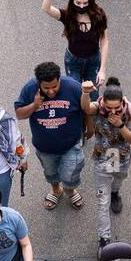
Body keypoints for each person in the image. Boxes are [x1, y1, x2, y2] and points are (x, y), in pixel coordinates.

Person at [16, 61, 87, 211]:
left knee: (71, 174)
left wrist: (91, 126)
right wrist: (34, 106)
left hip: (71, 144)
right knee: (50, 172)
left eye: (54, 86)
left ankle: (70, 189)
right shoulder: (30, 89)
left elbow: (85, 108)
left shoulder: (73, 87)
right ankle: (56, 190)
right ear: (38, 83)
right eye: (46, 88)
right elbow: (19, 114)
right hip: (44, 147)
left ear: (59, 78)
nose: (51, 91)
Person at [81, 77, 131, 250]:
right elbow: (86, 108)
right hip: (102, 158)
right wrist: (85, 93)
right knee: (101, 202)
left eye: (116, 108)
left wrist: (121, 125)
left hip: (121, 157)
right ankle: (104, 239)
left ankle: (115, 192)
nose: (112, 111)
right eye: (109, 107)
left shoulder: (129, 112)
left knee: (119, 180)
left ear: (122, 103)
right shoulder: (98, 108)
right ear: (103, 102)